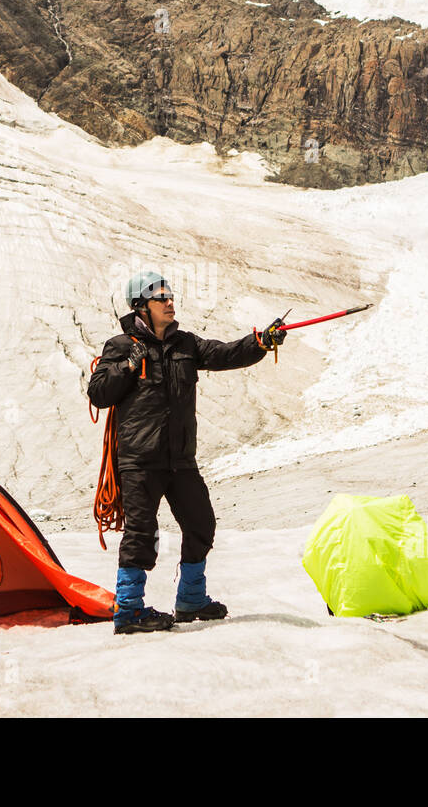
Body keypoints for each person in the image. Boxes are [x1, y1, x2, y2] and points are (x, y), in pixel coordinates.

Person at [87, 271, 286, 634]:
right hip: (139, 461)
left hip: (180, 460)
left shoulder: (186, 345)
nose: (169, 301)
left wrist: (261, 342)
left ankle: (191, 600)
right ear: (141, 306)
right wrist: (128, 365)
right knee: (140, 535)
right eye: (160, 297)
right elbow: (98, 394)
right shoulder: (120, 345)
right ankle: (129, 611)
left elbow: (226, 353)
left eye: (170, 295)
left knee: (201, 525)